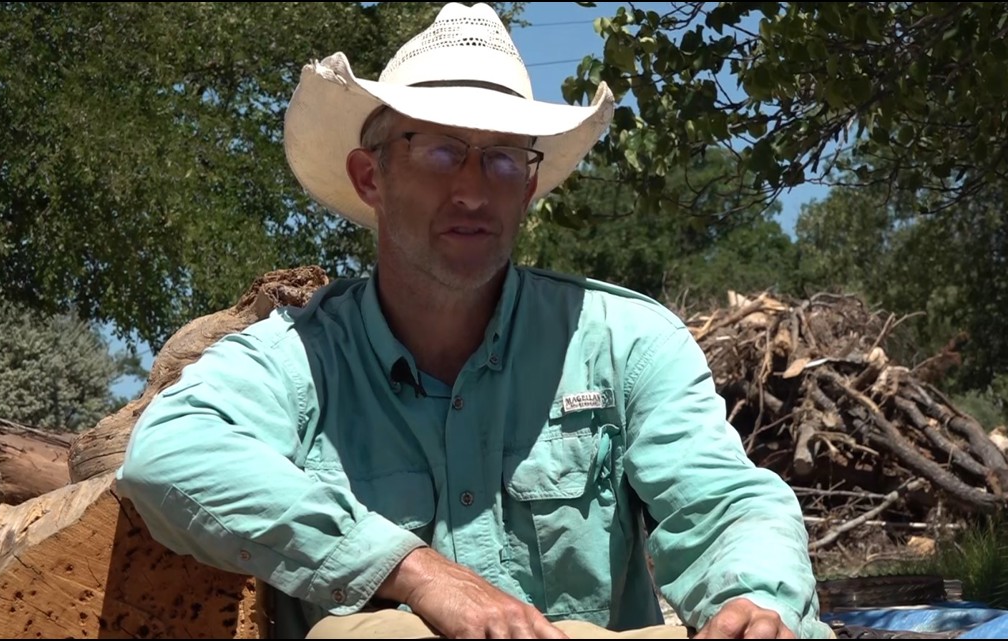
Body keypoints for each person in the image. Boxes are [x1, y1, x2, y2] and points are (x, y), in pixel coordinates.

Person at [115, 3, 834, 639]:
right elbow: (171, 454)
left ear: (526, 187)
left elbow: (728, 501)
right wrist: (414, 570)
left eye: (499, 160)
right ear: (371, 177)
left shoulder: (624, 342)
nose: (471, 190)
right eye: (438, 150)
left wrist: (750, 595)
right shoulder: (302, 359)